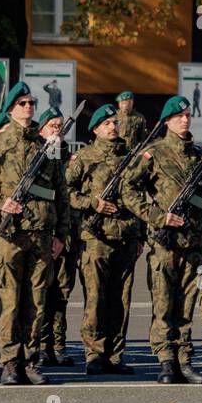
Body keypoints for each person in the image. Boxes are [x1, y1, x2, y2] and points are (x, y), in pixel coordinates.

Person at [0, 82, 69, 385]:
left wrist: (61, 233)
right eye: (22, 103)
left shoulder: (46, 146)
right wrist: (1, 201)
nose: (28, 107)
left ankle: (31, 360)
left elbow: (60, 193)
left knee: (36, 302)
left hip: (41, 235)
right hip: (9, 236)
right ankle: (10, 362)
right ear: (11, 109)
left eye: (31, 102)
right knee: (9, 302)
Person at [129, 95, 202, 383]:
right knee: (164, 304)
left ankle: (184, 359)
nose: (185, 120)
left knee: (187, 304)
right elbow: (127, 188)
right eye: (179, 116)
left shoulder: (199, 157)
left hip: (194, 244)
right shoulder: (153, 153)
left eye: (188, 115)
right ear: (167, 121)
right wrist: (156, 216)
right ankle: (166, 360)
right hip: (165, 244)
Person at [67, 103, 142, 374]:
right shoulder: (84, 158)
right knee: (96, 298)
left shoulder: (130, 158)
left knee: (121, 300)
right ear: (96, 129)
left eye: (115, 122)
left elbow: (141, 197)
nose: (113, 126)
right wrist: (93, 203)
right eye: (107, 123)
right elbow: (67, 192)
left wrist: (140, 234)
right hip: (96, 238)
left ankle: (115, 355)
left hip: (126, 236)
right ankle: (94, 353)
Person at [32, 106, 79, 368]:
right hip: (41, 237)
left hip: (67, 237)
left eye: (59, 125)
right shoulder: (37, 160)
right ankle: (39, 345)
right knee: (40, 294)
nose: (57, 130)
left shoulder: (70, 160)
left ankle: (57, 345)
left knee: (61, 294)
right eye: (52, 125)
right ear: (41, 131)